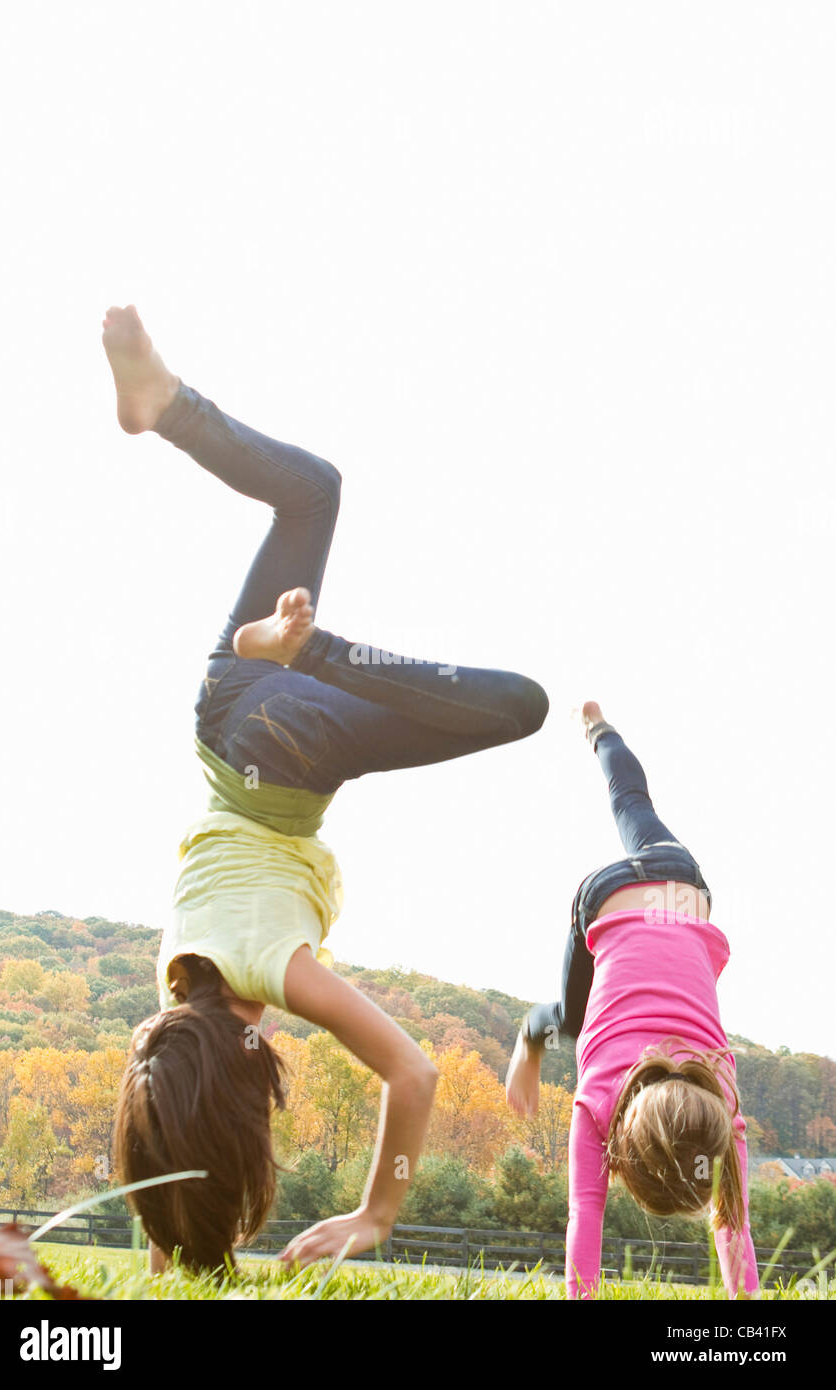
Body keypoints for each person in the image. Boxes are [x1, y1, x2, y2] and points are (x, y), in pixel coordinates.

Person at [104, 305, 549, 1275]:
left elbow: (413, 1071)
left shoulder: (265, 969)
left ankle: (314, 647)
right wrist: (174, 1249)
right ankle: (164, 406)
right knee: (310, 495)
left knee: (519, 706)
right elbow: (164, 1113)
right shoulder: (175, 983)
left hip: (286, 747)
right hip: (224, 703)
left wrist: (373, 1213)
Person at [505, 702, 758, 1299]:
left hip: (679, 885)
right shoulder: (595, 1106)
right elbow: (583, 1218)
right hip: (606, 901)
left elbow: (732, 1224)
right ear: (619, 1158)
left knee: (631, 803)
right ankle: (529, 1036)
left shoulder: (723, 1100)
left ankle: (600, 730)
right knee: (566, 1023)